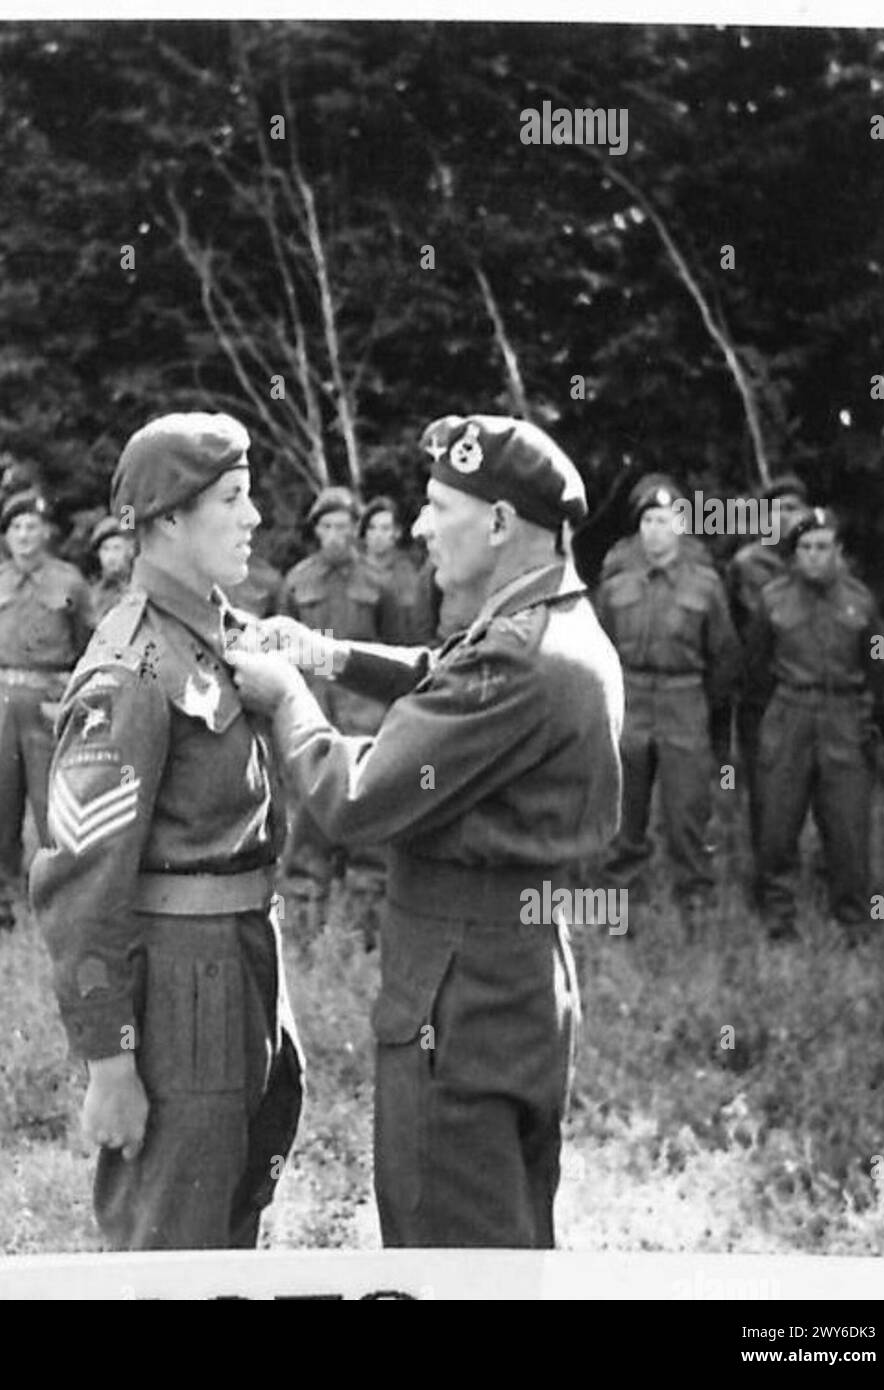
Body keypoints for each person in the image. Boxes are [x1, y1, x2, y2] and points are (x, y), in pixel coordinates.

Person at [226, 413, 621, 1248]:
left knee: (446, 1244)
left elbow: (354, 799)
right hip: (514, 974)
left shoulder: (517, 657)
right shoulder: (550, 623)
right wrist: (327, 656)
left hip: (462, 991)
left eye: (439, 506)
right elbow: (446, 670)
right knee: (502, 1232)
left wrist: (286, 695)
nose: (417, 526)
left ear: (502, 524)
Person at [28, 411, 302, 1250]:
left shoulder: (218, 637)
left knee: (234, 1221)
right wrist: (110, 1061)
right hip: (181, 992)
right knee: (172, 1242)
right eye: (233, 498)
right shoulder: (131, 669)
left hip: (246, 958)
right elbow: (80, 883)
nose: (254, 517)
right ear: (168, 519)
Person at [595, 479, 740, 928]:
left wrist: (700, 705)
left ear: (681, 527)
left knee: (687, 812)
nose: (657, 530)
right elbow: (598, 648)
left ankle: (695, 903)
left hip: (683, 702)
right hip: (631, 700)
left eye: (666, 521)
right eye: (649, 521)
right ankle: (618, 908)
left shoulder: (705, 585)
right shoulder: (616, 584)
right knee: (624, 812)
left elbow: (725, 658)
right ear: (640, 529)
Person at [745, 506, 884, 942]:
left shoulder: (861, 602)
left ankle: (854, 918)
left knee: (848, 823)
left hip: (844, 717)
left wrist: (872, 718)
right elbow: (755, 670)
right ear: (794, 553)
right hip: (789, 711)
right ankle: (778, 915)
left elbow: (878, 662)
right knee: (778, 820)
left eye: (823, 547)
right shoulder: (771, 600)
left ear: (838, 550)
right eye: (805, 547)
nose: (813, 556)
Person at [277, 486, 410, 942]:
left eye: (343, 527)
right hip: (311, 715)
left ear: (355, 531)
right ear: (316, 531)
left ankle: (365, 933)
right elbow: (282, 656)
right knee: (308, 826)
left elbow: (396, 656)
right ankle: (302, 929)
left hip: (366, 721)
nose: (335, 536)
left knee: (368, 830)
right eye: (327, 527)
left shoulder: (380, 584)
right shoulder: (295, 582)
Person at [0, 491, 93, 934]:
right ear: (6, 535)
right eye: (16, 527)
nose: (25, 535)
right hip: (3, 697)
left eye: (32, 527)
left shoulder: (70, 582)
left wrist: (65, 692)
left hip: (49, 700)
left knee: (52, 805)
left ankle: (60, 901)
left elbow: (86, 644)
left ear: (46, 532)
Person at [725, 474, 810, 842]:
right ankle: (768, 871)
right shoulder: (749, 564)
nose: (787, 517)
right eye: (778, 509)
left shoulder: (815, 560)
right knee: (766, 787)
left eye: (794, 509)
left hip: (807, 693)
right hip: (764, 693)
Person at [360, 495, 432, 644]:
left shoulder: (407, 573)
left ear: (397, 533)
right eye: (372, 528)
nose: (378, 535)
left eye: (385, 528)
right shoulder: (352, 569)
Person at [88, 515, 136, 622]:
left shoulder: (143, 588)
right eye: (105, 549)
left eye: (117, 548)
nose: (110, 557)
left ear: (130, 551)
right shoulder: (92, 598)